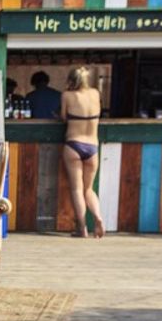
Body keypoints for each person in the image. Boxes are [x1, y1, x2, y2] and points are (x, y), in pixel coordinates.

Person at [61, 66, 106, 238]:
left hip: (74, 144)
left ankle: (82, 228)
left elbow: (64, 117)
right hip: (92, 146)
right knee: (89, 189)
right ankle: (98, 217)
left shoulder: (67, 95)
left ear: (71, 80)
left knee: (77, 189)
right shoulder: (95, 93)